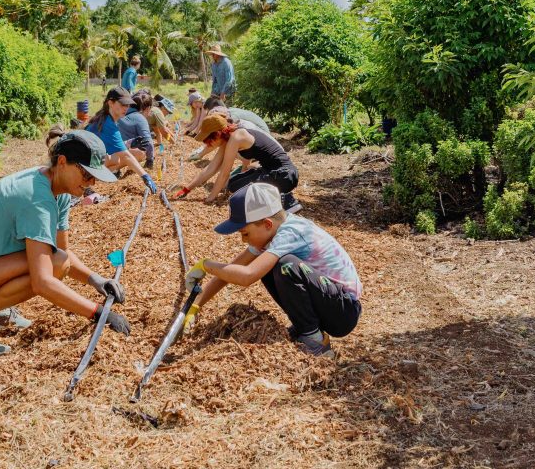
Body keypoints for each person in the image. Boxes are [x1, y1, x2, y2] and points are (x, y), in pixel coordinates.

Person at [0, 129, 132, 358]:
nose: (91, 182)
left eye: (94, 176)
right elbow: (43, 282)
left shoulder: (58, 190)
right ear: (62, 162)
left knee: (56, 259)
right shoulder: (36, 198)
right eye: (86, 174)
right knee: (53, 265)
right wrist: (98, 313)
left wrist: (95, 280)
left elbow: (63, 252)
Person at [184, 182, 362, 357]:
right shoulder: (272, 233)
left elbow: (247, 276)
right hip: (329, 302)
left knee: (286, 266)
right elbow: (234, 269)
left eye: (245, 233)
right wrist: (196, 305)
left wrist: (206, 265)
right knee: (269, 267)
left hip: (343, 311)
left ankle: (315, 342)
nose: (243, 241)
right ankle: (306, 328)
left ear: (267, 224)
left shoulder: (291, 233)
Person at [170, 112, 299, 211]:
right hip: (272, 171)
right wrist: (187, 189)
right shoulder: (228, 140)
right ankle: (277, 194)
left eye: (210, 139)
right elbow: (211, 168)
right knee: (233, 184)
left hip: (284, 174)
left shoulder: (237, 137)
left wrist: (210, 198)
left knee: (237, 187)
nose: (210, 144)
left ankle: (285, 199)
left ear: (218, 134)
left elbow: (224, 173)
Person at [90, 87, 158, 186]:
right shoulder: (108, 123)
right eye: (122, 104)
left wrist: (129, 143)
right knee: (120, 157)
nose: (125, 108)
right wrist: (145, 175)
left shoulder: (106, 118)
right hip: (88, 164)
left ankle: (105, 174)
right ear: (110, 103)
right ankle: (97, 176)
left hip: (92, 159)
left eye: (127, 105)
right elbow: (125, 155)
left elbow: (111, 145)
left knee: (116, 157)